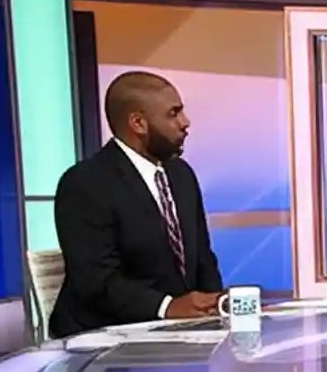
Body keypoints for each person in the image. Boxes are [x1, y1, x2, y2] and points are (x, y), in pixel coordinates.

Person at [50, 71, 223, 338]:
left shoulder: (181, 174)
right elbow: (96, 281)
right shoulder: (85, 184)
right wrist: (167, 307)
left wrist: (216, 306)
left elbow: (202, 256)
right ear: (138, 123)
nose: (185, 122)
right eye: (173, 114)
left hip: (179, 333)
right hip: (104, 338)